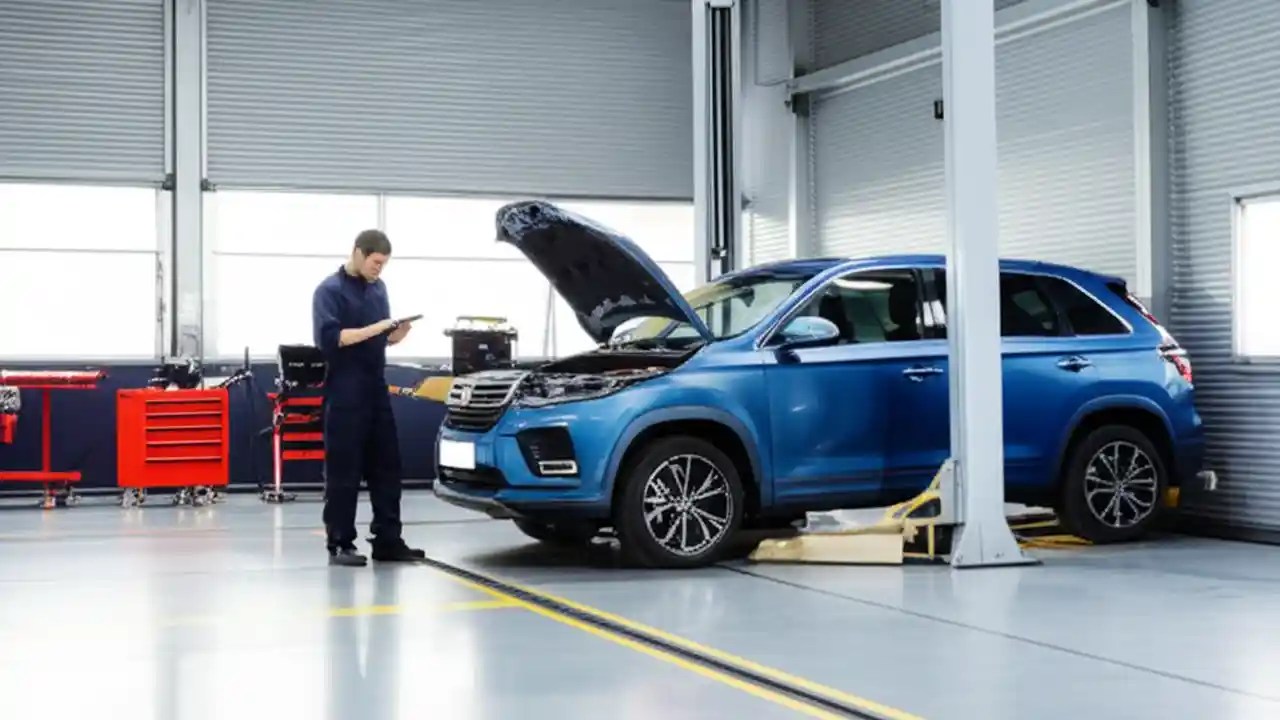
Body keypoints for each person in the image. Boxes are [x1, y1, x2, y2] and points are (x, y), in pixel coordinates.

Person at [312, 229, 425, 566]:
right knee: (344, 471)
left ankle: (388, 539)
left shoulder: (379, 289)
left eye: (384, 264)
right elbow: (332, 338)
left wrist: (395, 336)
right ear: (358, 252)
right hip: (345, 391)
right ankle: (340, 543)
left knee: (387, 467)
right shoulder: (328, 291)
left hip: (376, 388)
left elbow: (379, 338)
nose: (379, 270)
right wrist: (379, 328)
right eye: (376, 262)